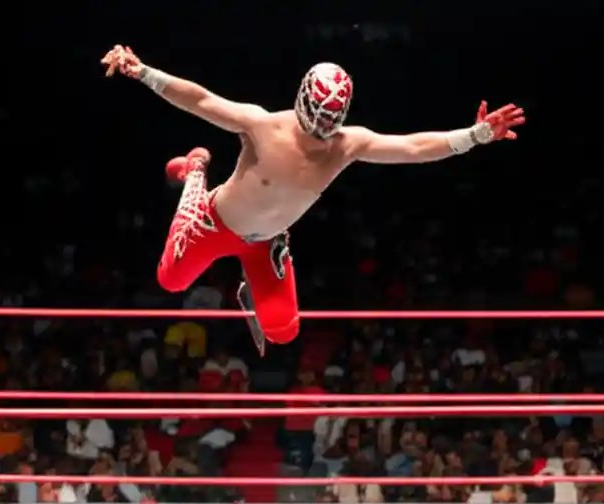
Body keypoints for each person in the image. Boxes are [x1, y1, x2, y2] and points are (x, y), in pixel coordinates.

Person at [101, 46, 526, 354]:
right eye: (318, 113)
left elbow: (413, 148)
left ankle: (260, 272)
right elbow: (200, 99)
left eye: (330, 117)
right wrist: (143, 72)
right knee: (169, 281)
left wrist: (475, 136)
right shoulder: (263, 126)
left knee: (283, 332)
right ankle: (196, 170)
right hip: (215, 223)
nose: (322, 124)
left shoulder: (348, 145)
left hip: (265, 240)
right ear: (303, 100)